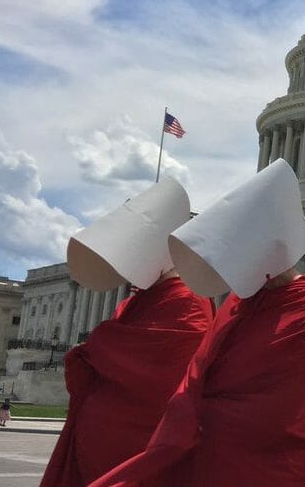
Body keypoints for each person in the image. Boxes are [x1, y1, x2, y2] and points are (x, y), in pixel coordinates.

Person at [90, 160, 305, 486]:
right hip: (214, 458)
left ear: (266, 245)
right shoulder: (242, 301)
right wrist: (185, 410)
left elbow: (272, 412)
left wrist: (192, 415)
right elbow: (199, 370)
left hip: (269, 470)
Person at [42, 178, 214, 487]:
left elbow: (161, 375)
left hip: (138, 456)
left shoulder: (188, 301)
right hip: (100, 455)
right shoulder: (138, 300)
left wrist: (99, 345)